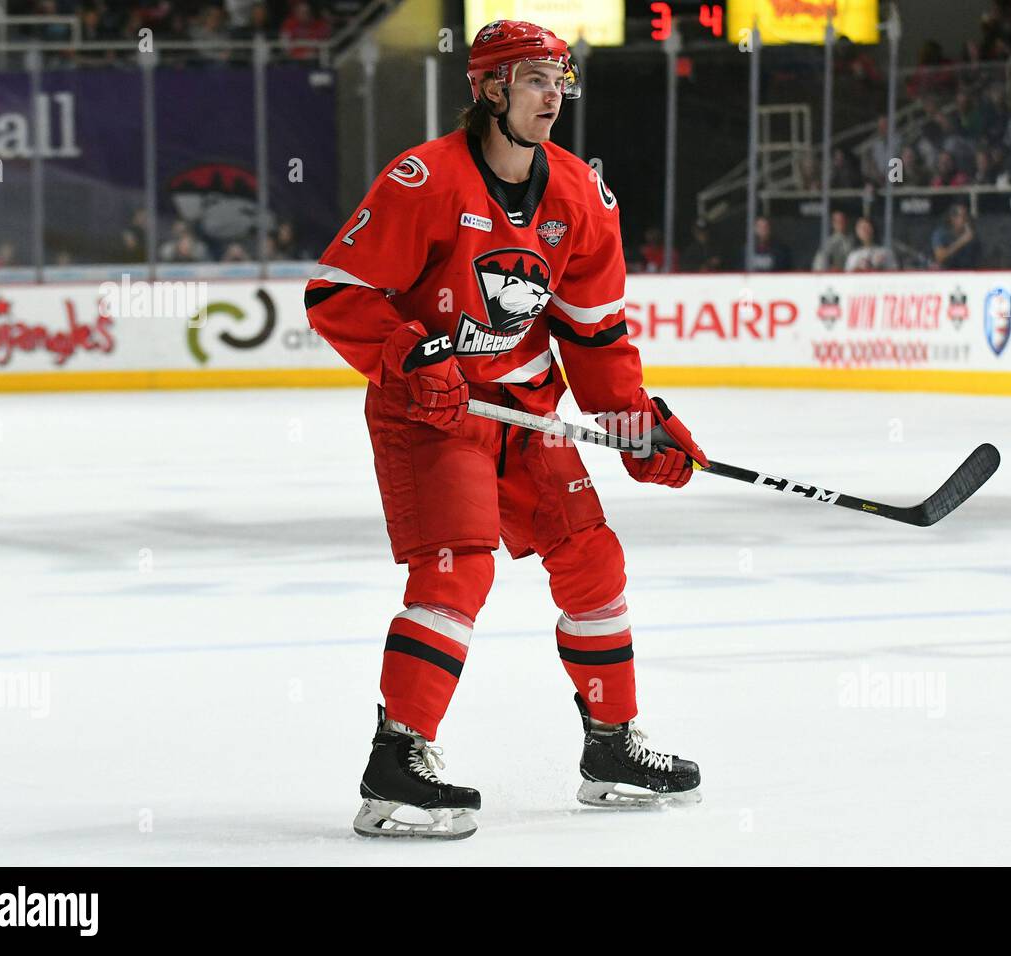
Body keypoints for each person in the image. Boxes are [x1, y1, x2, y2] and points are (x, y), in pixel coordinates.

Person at [304, 19, 704, 841]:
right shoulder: (425, 179)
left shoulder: (580, 198)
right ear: (488, 88)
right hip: (434, 412)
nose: (553, 95)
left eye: (560, 80)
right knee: (458, 571)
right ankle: (397, 760)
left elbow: (593, 334)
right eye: (533, 80)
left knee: (594, 558)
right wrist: (407, 356)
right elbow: (335, 293)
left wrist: (636, 421)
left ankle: (612, 746)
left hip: (522, 410)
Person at [931, 203, 981, 269]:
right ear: (953, 218)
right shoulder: (941, 234)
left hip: (967, 271)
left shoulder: (972, 234)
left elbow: (979, 257)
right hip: (946, 271)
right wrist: (962, 241)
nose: (965, 220)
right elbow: (939, 256)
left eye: (966, 216)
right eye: (962, 216)